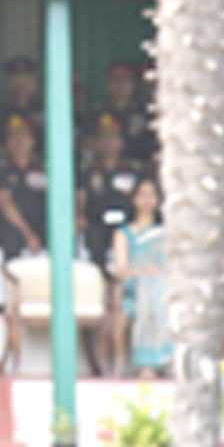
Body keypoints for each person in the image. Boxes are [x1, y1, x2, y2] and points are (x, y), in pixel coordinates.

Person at [111, 176, 170, 377]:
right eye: (142, 195)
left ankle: (168, 357)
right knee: (151, 287)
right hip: (134, 290)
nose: (147, 200)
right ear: (134, 199)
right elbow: (120, 270)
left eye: (152, 195)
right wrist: (144, 271)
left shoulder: (167, 233)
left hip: (166, 289)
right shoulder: (124, 234)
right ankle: (148, 361)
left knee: (162, 289)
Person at [76, 112, 143, 277]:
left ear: (121, 142)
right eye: (103, 138)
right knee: (94, 237)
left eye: (113, 138)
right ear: (96, 143)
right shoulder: (88, 171)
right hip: (98, 224)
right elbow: (80, 198)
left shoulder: (132, 170)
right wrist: (79, 215)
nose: (108, 143)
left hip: (128, 223)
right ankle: (100, 278)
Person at [0, 115, 47, 261]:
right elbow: (5, 204)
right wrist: (28, 234)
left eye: (24, 136)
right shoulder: (0, 169)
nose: (19, 141)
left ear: (32, 141)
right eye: (13, 136)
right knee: (11, 233)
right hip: (16, 227)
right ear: (7, 143)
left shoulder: (43, 168)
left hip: (41, 225)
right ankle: (12, 282)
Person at [90, 62, 155, 166]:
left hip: (140, 170)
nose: (120, 85)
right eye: (115, 80)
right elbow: (89, 143)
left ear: (133, 84)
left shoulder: (144, 112)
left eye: (125, 80)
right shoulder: (97, 113)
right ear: (108, 84)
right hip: (106, 169)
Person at [0, 56, 44, 156]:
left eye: (25, 79)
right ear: (9, 85)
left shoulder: (44, 111)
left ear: (33, 84)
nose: (20, 84)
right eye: (15, 80)